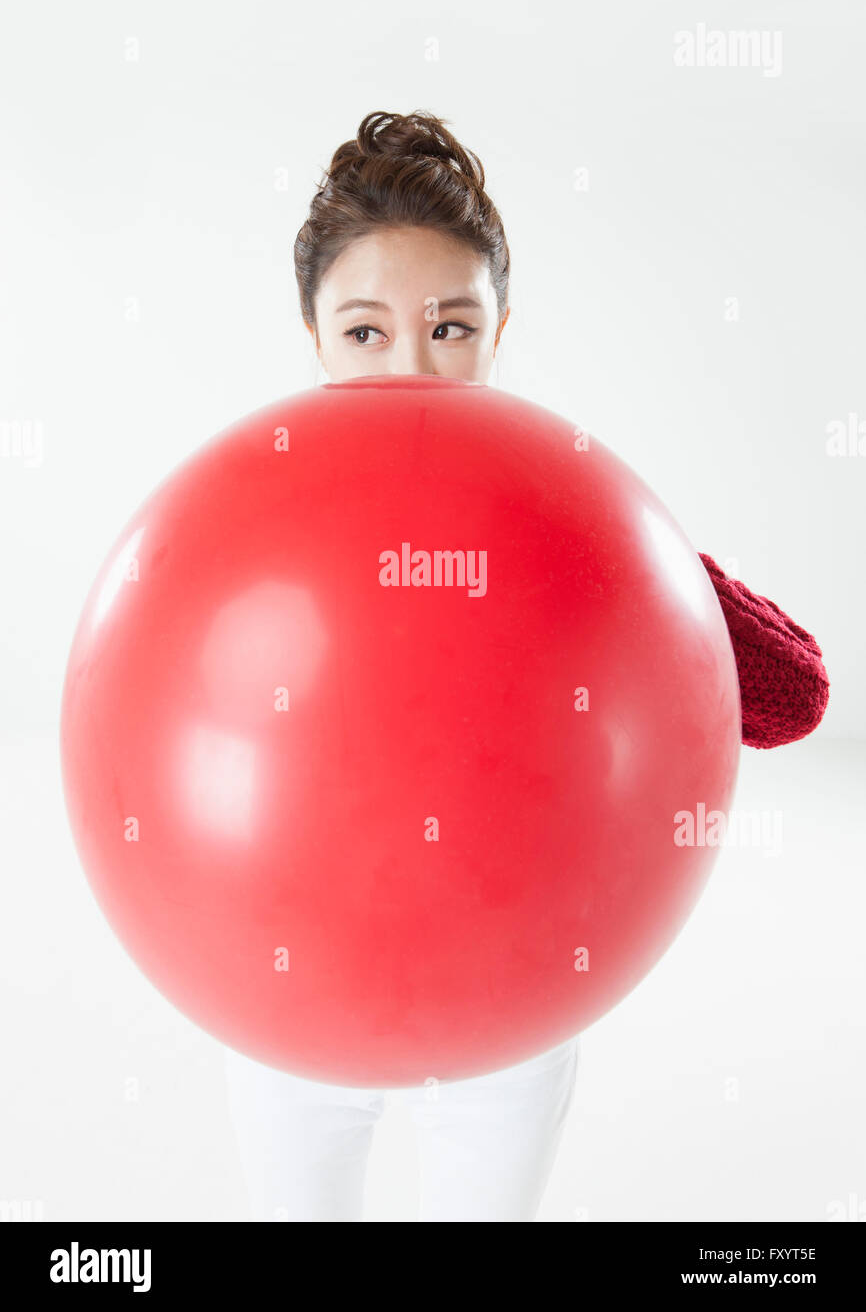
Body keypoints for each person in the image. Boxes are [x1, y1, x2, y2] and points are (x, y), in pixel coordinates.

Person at [223, 110, 829, 1223]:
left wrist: (645, 561)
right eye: (364, 332)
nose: (410, 365)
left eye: (449, 327)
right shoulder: (248, 531)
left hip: (509, 997)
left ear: (499, 333)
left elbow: (794, 698)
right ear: (311, 334)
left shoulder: (559, 516)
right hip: (292, 994)